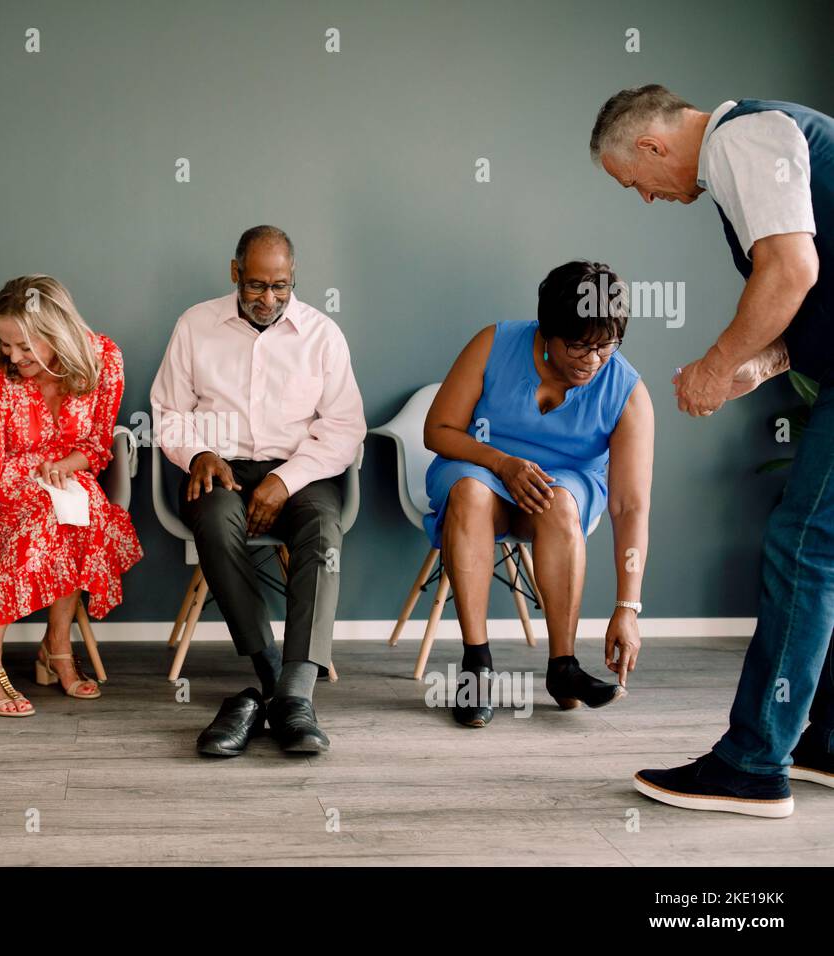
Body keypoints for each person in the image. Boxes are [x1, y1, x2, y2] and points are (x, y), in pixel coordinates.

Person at [592, 84, 832, 817]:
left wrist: (716, 362)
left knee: (803, 548)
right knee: (823, 551)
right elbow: (813, 306)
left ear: (654, 146)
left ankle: (754, 764)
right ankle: (823, 741)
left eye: (635, 181)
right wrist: (750, 370)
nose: (645, 197)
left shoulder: (743, 140)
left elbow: (792, 272)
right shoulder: (760, 144)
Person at [151, 225, 366, 756]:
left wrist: (283, 479)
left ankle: (294, 691)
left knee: (322, 530)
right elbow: (167, 412)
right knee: (216, 521)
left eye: (280, 287)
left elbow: (345, 428)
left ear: (294, 280)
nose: (268, 299)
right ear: (235, 274)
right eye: (255, 286)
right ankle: (272, 673)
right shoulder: (195, 325)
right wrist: (198, 454)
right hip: (217, 465)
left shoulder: (322, 334)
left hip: (300, 469)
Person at [423, 261, 653, 727]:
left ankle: (563, 667)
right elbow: (437, 430)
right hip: (481, 468)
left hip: (562, 489)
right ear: (546, 331)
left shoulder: (627, 392)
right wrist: (502, 464)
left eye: (605, 346)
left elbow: (630, 505)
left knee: (561, 503)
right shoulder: (494, 344)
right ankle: (477, 666)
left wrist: (628, 607)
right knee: (469, 492)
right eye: (578, 345)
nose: (591, 360)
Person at [0, 275, 142, 717]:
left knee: (83, 509)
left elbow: (96, 445)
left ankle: (54, 646)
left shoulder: (104, 359)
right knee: (43, 515)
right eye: (5, 344)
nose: (12, 356)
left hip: (61, 471)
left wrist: (67, 467)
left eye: (24, 346)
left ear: (57, 334)